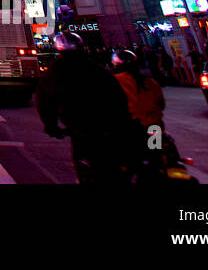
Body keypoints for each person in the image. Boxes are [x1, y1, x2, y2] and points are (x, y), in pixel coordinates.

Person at [35, 31, 134, 184]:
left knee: (86, 167)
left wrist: (51, 126)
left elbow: (45, 101)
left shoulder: (55, 72)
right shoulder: (99, 70)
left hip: (81, 130)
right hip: (119, 127)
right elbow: (119, 99)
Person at [112, 48, 172, 179]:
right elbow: (161, 105)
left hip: (132, 132)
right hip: (155, 128)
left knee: (126, 165)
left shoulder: (113, 82)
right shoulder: (150, 82)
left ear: (115, 65)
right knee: (158, 157)